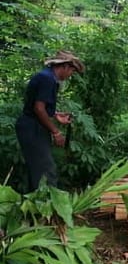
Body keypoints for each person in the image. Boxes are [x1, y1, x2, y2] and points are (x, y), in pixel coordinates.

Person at [15, 50, 84, 191]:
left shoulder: (47, 77)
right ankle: (46, 202)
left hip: (32, 125)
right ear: (65, 66)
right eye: (72, 71)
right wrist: (56, 132)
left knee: (37, 170)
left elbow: (39, 106)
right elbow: (38, 108)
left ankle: (34, 202)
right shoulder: (47, 79)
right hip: (33, 128)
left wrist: (55, 114)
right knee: (46, 172)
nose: (70, 75)